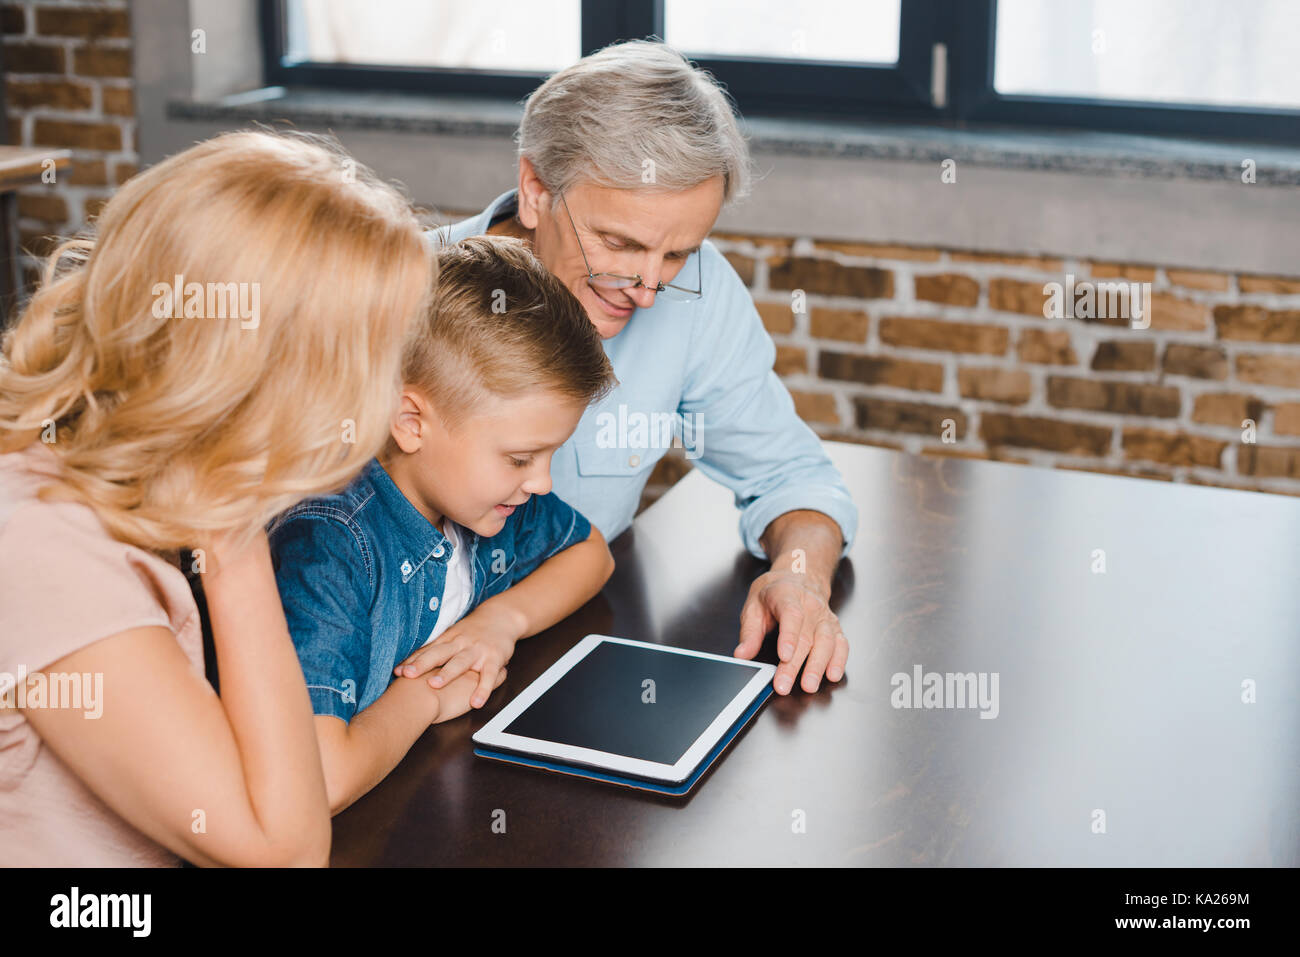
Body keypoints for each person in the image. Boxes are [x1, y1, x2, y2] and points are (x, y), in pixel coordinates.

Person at [0, 130, 432, 866]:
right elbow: (285, 852)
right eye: (381, 356)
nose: (389, 391)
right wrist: (234, 530)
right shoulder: (44, 549)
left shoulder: (116, 465)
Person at [433, 39, 858, 696]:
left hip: (578, 657)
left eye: (678, 252)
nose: (649, 288)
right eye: (619, 243)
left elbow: (791, 475)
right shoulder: (402, 294)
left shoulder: (698, 292)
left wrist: (798, 574)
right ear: (535, 191)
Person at [268, 235, 617, 814]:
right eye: (519, 458)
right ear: (411, 422)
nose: (542, 483)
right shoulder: (328, 545)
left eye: (551, 455)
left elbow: (593, 554)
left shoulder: (483, 502)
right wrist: (425, 699)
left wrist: (500, 621)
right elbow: (316, 780)